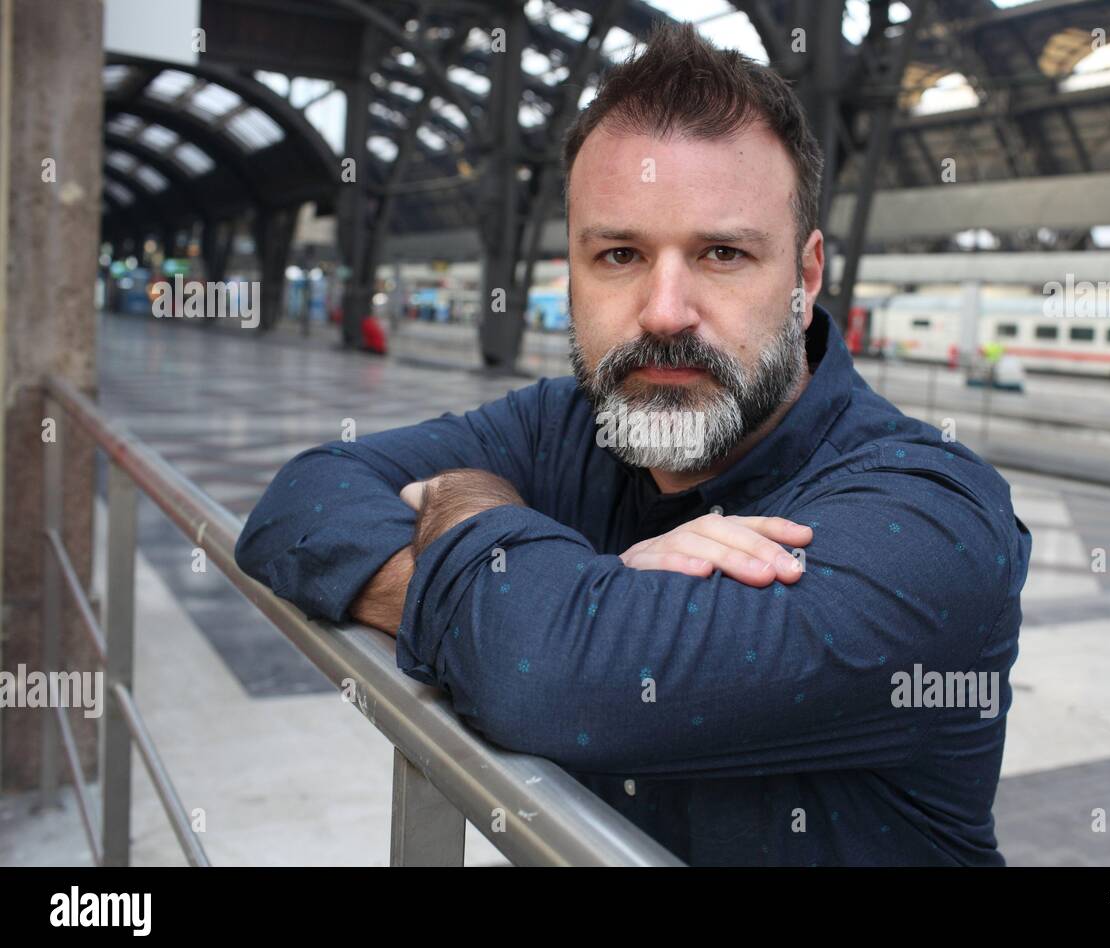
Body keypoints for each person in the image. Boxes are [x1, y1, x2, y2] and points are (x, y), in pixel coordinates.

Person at [234, 22, 1031, 866]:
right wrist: (581, 597)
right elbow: (300, 502)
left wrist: (477, 514)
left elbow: (538, 672)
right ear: (570, 273)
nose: (664, 311)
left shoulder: (935, 524)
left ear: (804, 276)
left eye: (723, 253)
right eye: (619, 254)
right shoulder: (565, 422)